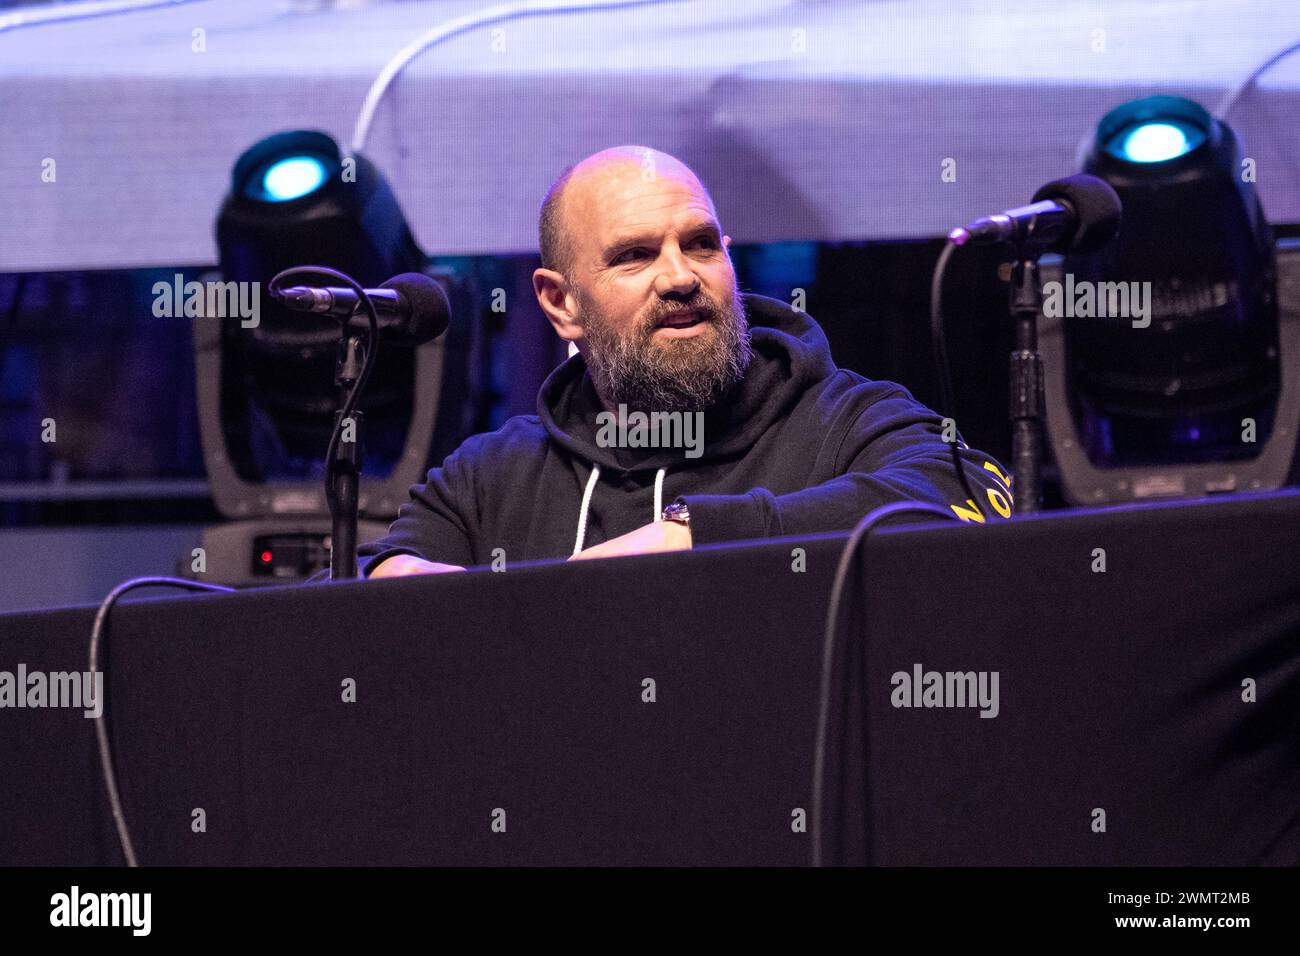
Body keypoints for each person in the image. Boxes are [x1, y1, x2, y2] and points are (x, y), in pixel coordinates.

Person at [362, 145, 1012, 578]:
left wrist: (691, 537)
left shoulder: (841, 419)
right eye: (634, 256)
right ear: (561, 304)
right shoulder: (495, 475)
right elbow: (387, 580)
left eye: (700, 246)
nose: (680, 277)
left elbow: (974, 493)